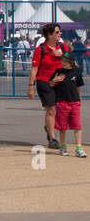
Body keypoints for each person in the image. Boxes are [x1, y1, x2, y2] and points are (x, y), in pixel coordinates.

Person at [27, 22, 71, 150]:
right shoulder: (40, 49)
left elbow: (71, 63)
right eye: (57, 32)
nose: (60, 34)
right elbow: (34, 70)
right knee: (51, 109)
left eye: (60, 31)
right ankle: (52, 138)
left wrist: (61, 55)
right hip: (44, 82)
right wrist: (31, 87)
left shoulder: (63, 47)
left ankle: (49, 126)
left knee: (61, 110)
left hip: (60, 82)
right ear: (49, 35)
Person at [51, 54, 84, 157]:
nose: (63, 63)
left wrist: (79, 98)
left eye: (66, 61)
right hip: (62, 102)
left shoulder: (77, 71)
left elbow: (78, 86)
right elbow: (50, 84)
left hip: (74, 102)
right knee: (62, 126)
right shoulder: (58, 71)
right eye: (62, 61)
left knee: (77, 125)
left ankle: (78, 148)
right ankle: (63, 146)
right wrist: (55, 81)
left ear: (72, 61)